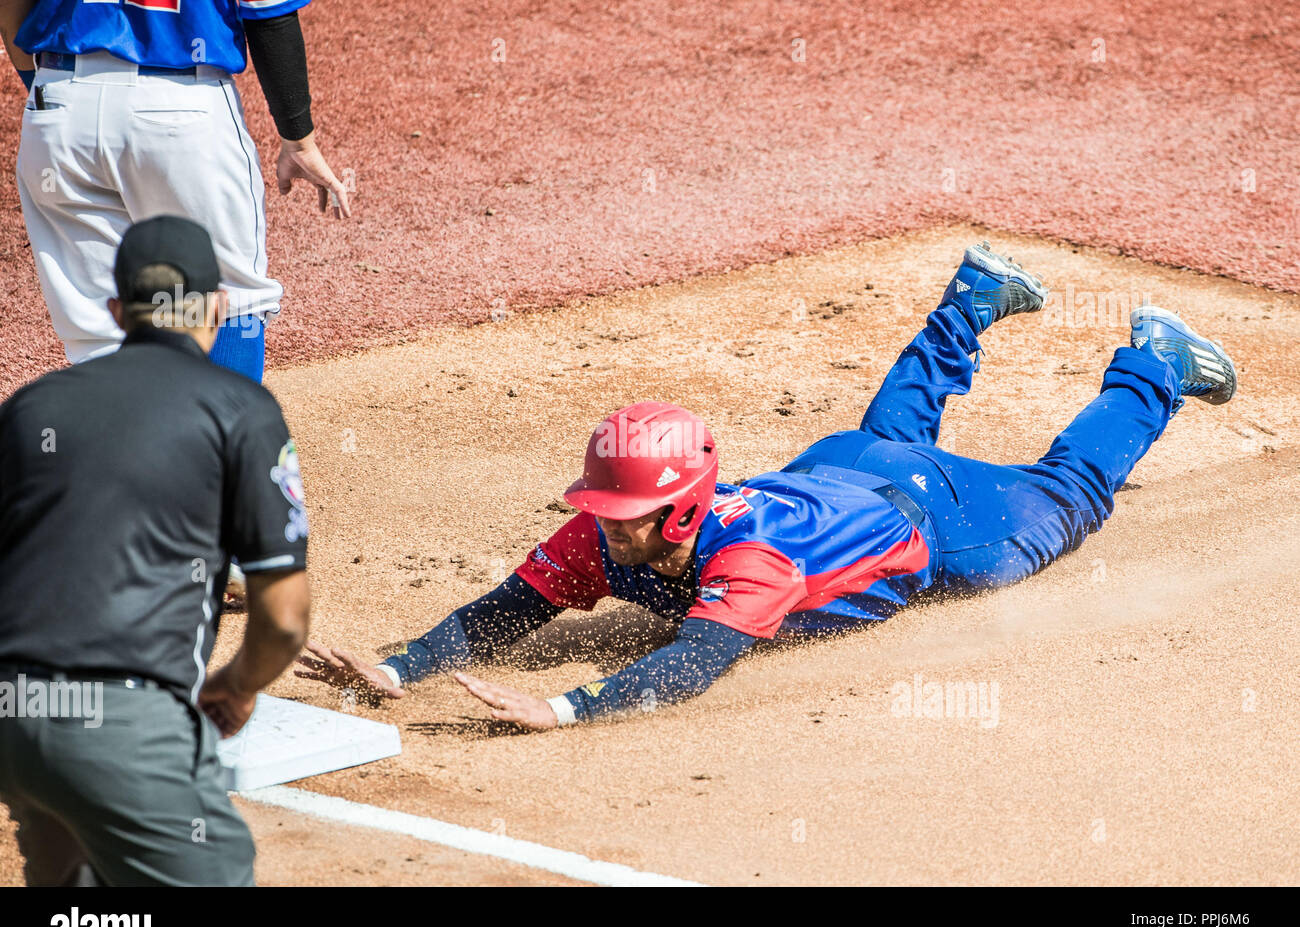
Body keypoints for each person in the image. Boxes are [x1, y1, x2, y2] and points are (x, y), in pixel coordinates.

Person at [297, 243, 1236, 731]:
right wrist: (401, 667)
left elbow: (690, 665)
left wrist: (568, 707)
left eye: (626, 517)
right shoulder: (606, 535)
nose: (606, 532)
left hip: (931, 516)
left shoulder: (753, 563)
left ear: (685, 508)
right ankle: (971, 300)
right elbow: (507, 610)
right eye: (607, 511)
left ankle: (1153, 358)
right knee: (886, 439)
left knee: (1064, 496)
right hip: (843, 472)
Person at [0, 215, 311, 885]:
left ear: (116, 310)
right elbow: (284, 618)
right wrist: (236, 683)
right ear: (219, 307)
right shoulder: (241, 408)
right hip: (124, 728)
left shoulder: (32, 408)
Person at [0, 0, 352, 382]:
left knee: (97, 326)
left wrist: (56, 95)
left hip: (59, 103)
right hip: (182, 102)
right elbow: (269, 11)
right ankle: (227, 438)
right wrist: (297, 138)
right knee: (232, 299)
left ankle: (118, 439)